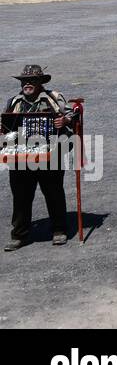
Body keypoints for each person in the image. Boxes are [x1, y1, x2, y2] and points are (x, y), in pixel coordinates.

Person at [3, 65, 79, 250]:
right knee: (20, 195)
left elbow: (73, 113)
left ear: (40, 82)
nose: (27, 84)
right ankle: (19, 235)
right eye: (24, 81)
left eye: (32, 80)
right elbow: (6, 125)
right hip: (22, 155)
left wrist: (66, 120)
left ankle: (59, 230)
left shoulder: (54, 98)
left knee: (53, 192)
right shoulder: (14, 102)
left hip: (51, 152)